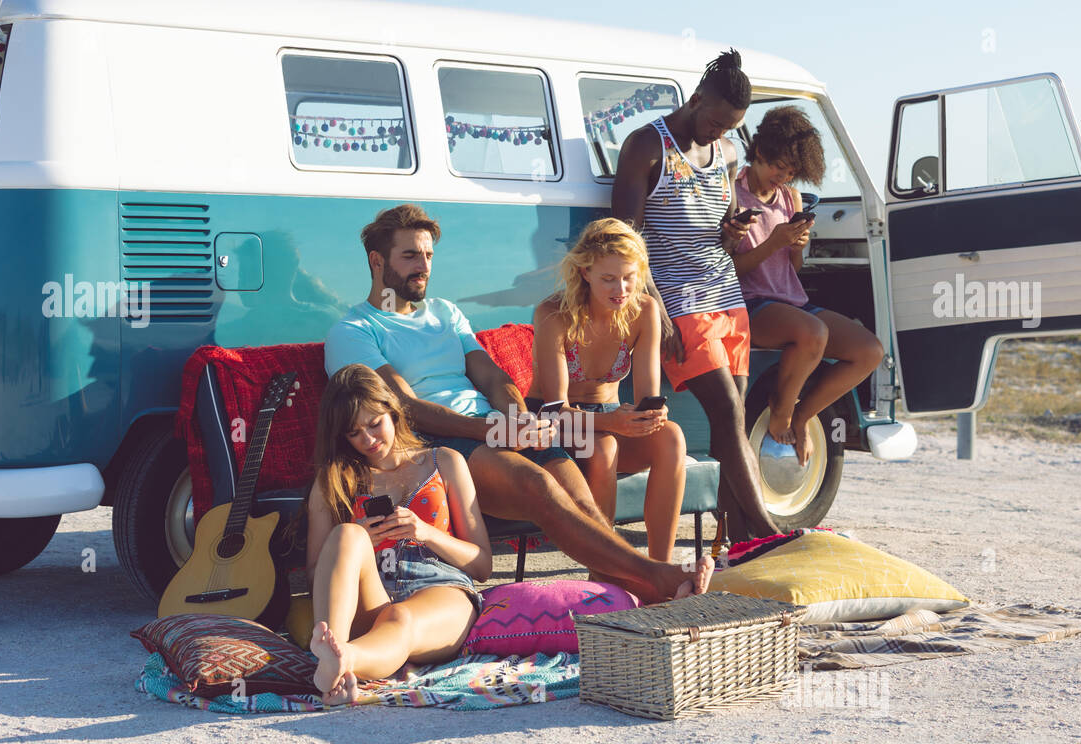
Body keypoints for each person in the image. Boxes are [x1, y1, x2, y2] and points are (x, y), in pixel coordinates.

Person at [324, 204, 713, 604]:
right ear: (376, 261)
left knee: (580, 498)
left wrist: (519, 418)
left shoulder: (446, 313)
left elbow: (492, 377)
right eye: (409, 256)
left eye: (428, 255)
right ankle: (657, 578)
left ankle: (629, 588)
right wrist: (492, 430)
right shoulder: (354, 330)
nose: (423, 266)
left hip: (493, 426)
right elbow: (404, 407)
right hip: (440, 440)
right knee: (539, 485)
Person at [611, 48, 775, 545]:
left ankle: (737, 537)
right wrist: (654, 308)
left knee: (736, 420)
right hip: (679, 299)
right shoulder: (646, 146)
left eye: (732, 127)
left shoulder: (723, 154)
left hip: (725, 293)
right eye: (717, 121)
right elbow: (626, 241)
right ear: (697, 98)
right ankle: (767, 528)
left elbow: (718, 233)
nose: (721, 134)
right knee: (726, 409)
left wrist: (733, 230)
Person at [303, 364, 491, 704]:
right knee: (347, 534)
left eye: (374, 424)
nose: (369, 440)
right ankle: (335, 653)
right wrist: (361, 538)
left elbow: (482, 565)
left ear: (392, 410)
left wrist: (427, 533)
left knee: (399, 617)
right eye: (354, 433)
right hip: (372, 596)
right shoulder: (334, 479)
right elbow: (315, 574)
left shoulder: (444, 461)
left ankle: (341, 662)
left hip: (441, 591)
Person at [731, 105, 884, 466]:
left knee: (870, 351)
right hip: (750, 303)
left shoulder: (790, 198)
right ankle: (781, 411)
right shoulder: (733, 192)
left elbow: (793, 269)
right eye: (776, 168)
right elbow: (729, 270)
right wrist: (774, 242)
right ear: (759, 153)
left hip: (790, 302)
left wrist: (797, 247)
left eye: (789, 172)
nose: (781, 178)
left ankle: (802, 416)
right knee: (813, 332)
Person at [527, 218, 686, 563]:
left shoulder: (644, 311)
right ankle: (608, 571)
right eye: (609, 279)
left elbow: (646, 395)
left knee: (671, 437)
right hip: (555, 424)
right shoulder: (553, 314)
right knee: (603, 447)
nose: (621, 289)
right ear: (585, 272)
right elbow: (553, 411)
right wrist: (614, 422)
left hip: (611, 419)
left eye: (630, 277)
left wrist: (652, 414)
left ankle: (660, 568)